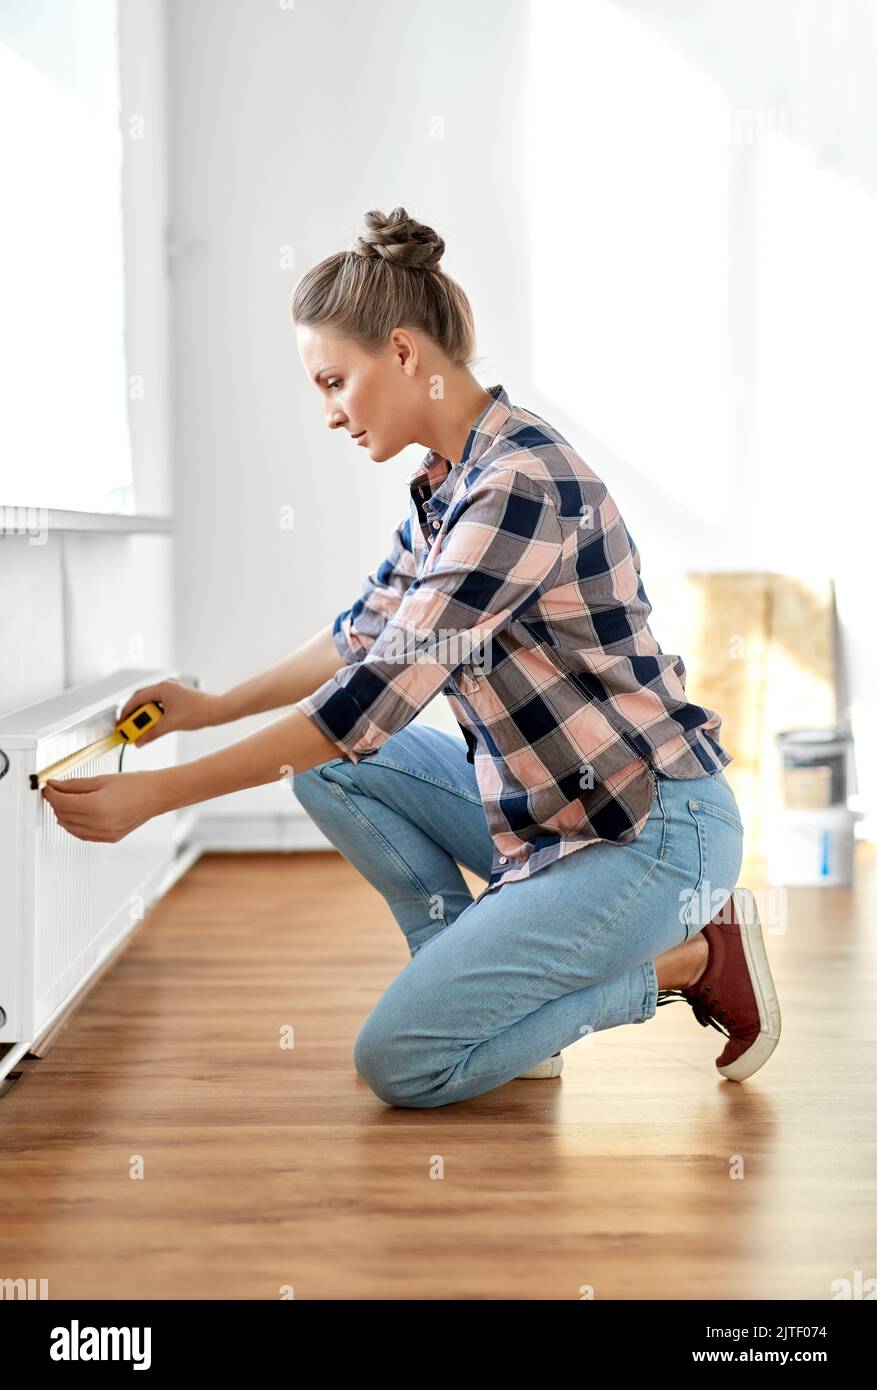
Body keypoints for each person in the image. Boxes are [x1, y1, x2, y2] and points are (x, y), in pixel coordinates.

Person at [43, 206, 781, 1107]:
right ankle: (481, 999)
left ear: (400, 353)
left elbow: (367, 703)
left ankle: (692, 958)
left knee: (401, 1064)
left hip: (653, 833)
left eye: (333, 381)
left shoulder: (516, 486)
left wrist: (157, 796)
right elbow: (360, 634)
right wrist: (210, 707)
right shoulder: (449, 479)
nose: (327, 414)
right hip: (559, 817)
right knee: (334, 774)